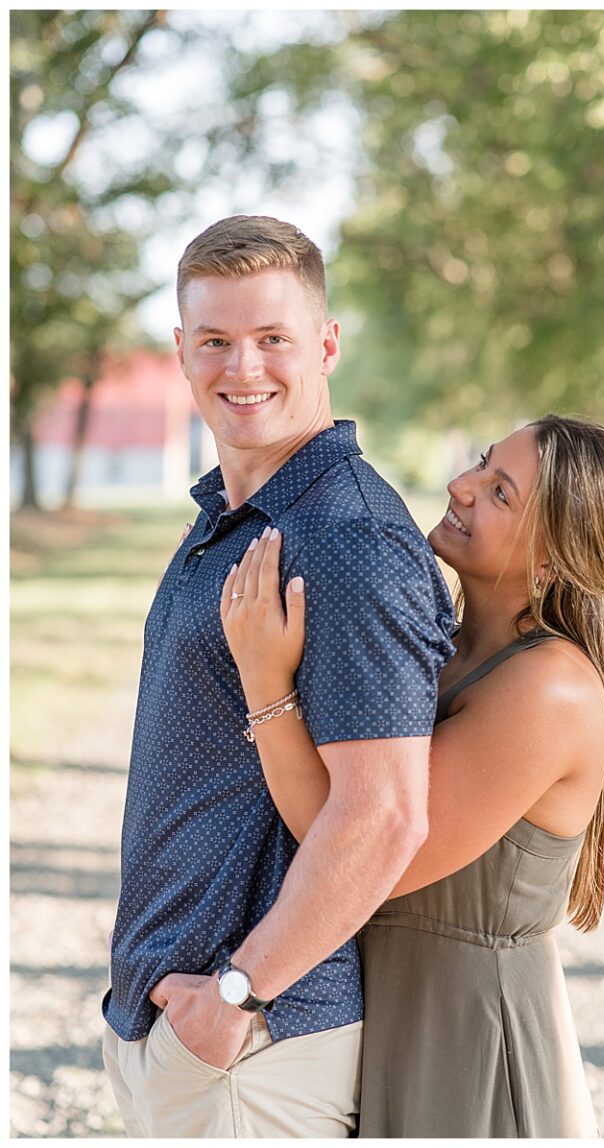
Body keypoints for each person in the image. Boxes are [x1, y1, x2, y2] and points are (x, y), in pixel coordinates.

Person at [101, 216, 457, 1136]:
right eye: (216, 341)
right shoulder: (236, 512)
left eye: (273, 339)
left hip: (254, 1047)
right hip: (176, 1026)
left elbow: (385, 814)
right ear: (181, 351)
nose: (243, 367)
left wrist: (236, 993)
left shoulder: (346, 539)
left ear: (328, 344)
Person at [220, 414, 604, 1136]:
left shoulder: (549, 690)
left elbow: (353, 848)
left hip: (465, 1040)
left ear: (552, 559)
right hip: (391, 1012)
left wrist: (267, 683)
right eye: (483, 463)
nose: (461, 486)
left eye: (501, 492)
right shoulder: (446, 647)